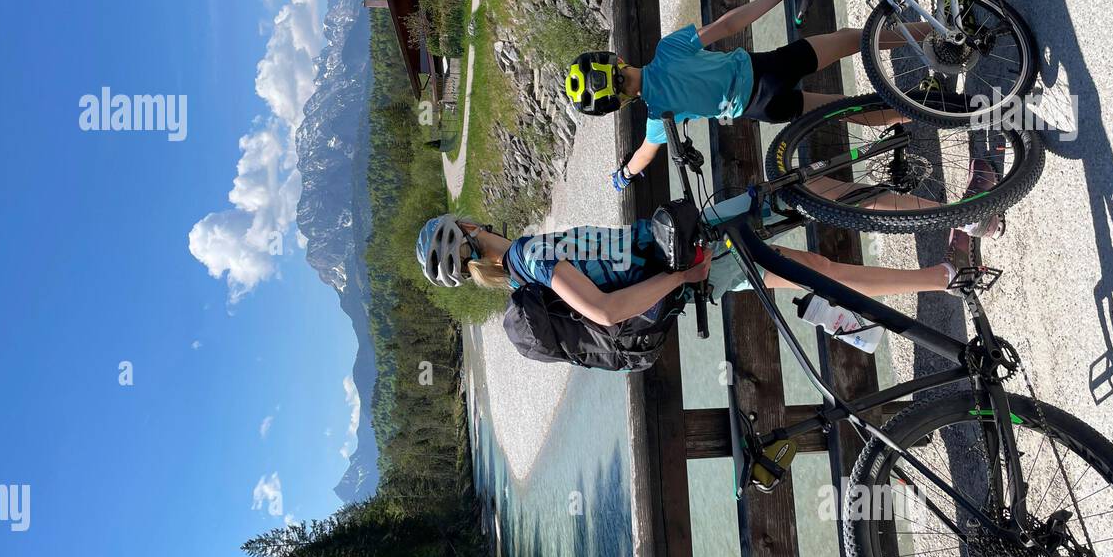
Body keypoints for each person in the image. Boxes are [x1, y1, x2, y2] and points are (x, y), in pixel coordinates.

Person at [564, 0, 933, 194]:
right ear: (620, 59)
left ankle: (926, 108)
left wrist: (623, 176)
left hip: (763, 107)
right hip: (768, 68)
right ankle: (928, 36)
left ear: (622, 103)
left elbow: (644, 155)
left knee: (846, 109)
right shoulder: (667, 50)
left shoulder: (659, 117)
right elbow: (728, 24)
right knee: (851, 39)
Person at [415, 213, 980, 329]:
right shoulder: (530, 260)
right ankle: (944, 275)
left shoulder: (522, 279)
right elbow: (608, 313)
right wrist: (683, 279)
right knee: (815, 269)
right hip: (688, 260)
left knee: (809, 255)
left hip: (682, 243)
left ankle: (940, 266)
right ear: (468, 232)